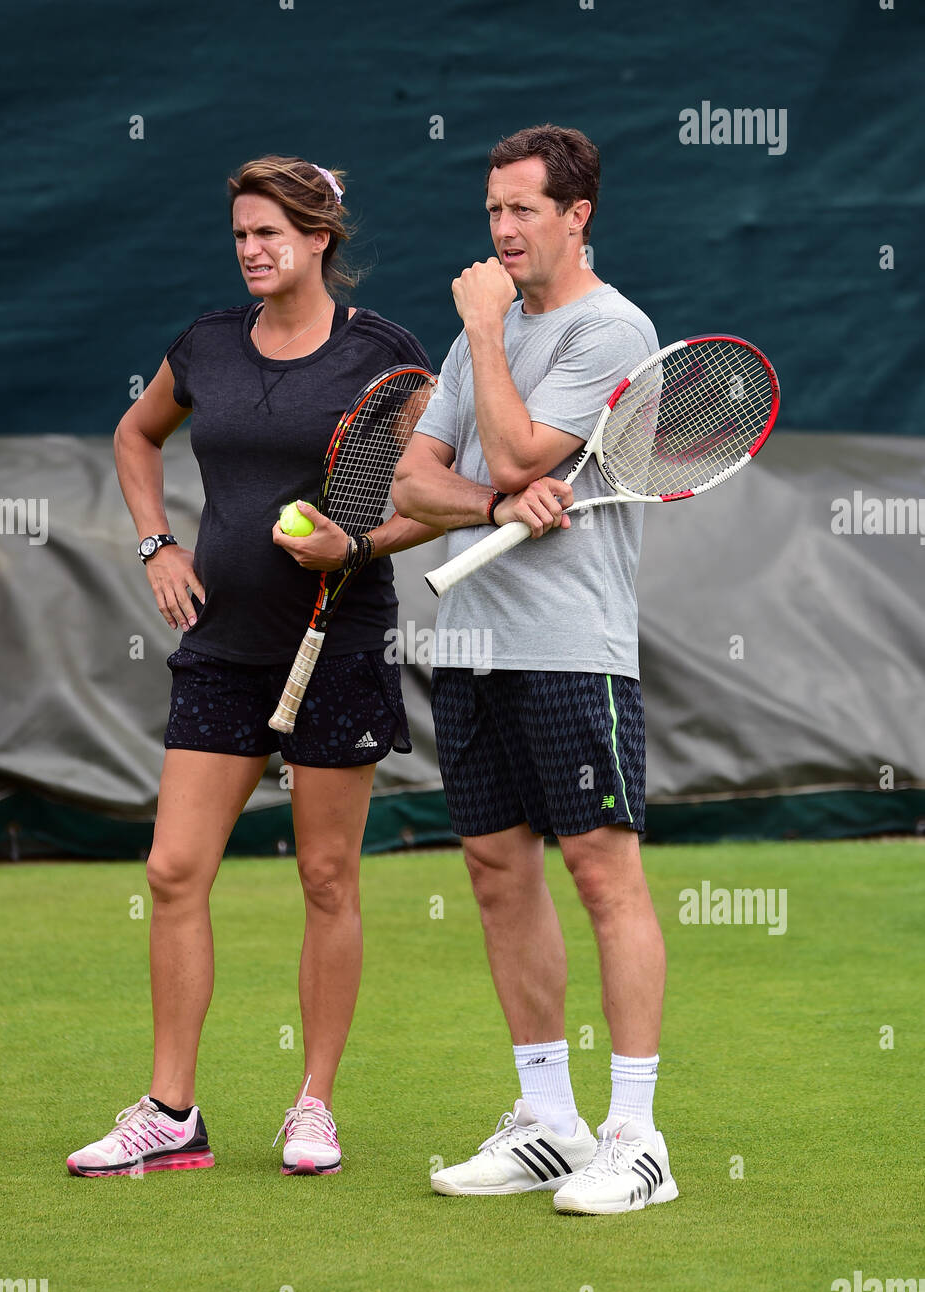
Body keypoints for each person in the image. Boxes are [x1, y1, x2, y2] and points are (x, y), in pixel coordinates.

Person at [67, 155, 436, 1179]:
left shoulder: (387, 357)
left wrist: (352, 548)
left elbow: (434, 491)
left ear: (320, 237)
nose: (251, 250)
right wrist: (158, 546)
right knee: (172, 869)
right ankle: (172, 1113)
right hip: (222, 650)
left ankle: (312, 1104)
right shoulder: (205, 346)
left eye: (270, 232)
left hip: (339, 646)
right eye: (239, 234)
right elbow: (136, 435)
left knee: (325, 875)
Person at [392, 125, 678, 1214]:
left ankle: (636, 1137)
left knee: (603, 874)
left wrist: (481, 335)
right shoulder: (488, 334)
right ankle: (548, 1123)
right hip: (470, 640)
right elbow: (423, 483)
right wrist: (493, 505)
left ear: (577, 215)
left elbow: (513, 450)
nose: (501, 231)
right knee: (493, 871)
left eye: (521, 209)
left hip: (572, 647)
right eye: (491, 211)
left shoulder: (612, 331)